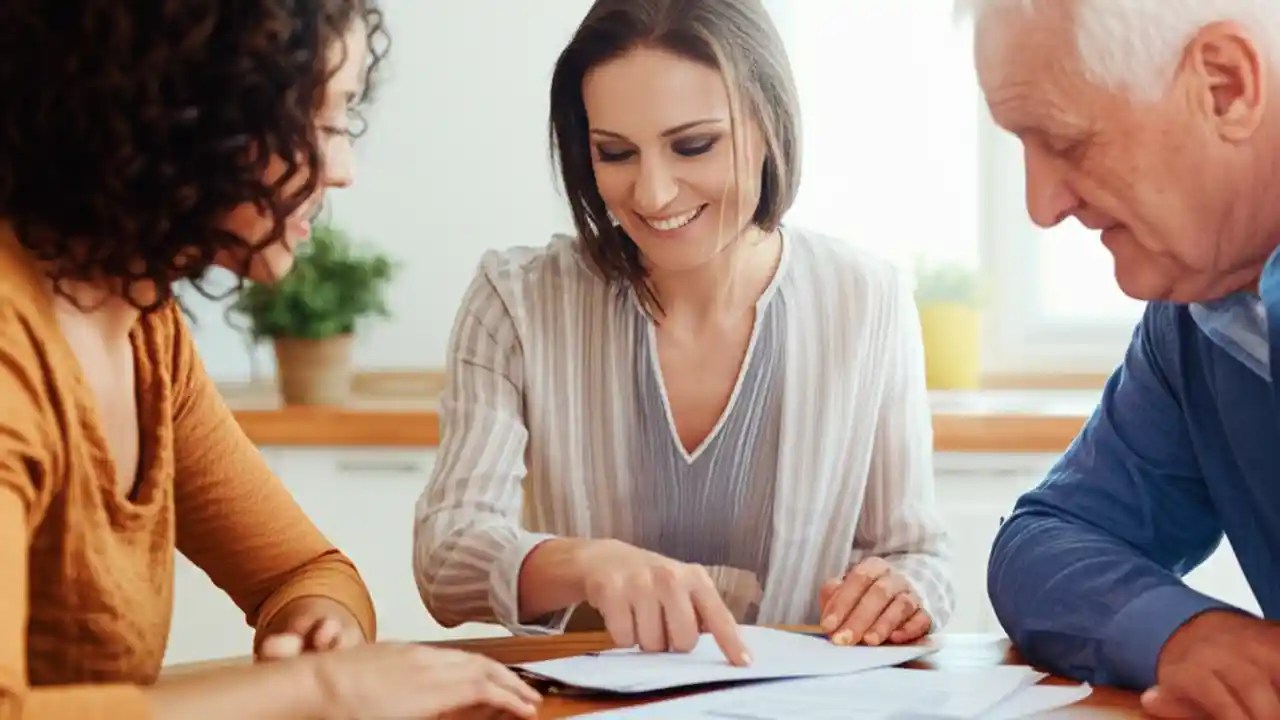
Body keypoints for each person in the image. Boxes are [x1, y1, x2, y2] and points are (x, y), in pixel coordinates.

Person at [0, 2, 541, 718]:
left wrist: (320, 630)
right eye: (318, 125)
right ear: (186, 115)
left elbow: (306, 571)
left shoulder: (142, 331)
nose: (341, 169)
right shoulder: (15, 346)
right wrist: (315, 689)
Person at [414, 0, 953, 664]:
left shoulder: (868, 299)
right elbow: (445, 556)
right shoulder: (516, 300)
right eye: (615, 153)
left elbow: (918, 556)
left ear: (768, 124)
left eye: (693, 145)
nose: (654, 193)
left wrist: (903, 592)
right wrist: (587, 563)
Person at [963, 0, 1280, 717]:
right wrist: (1184, 633)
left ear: (1225, 87)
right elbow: (1046, 545)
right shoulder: (1202, 311)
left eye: (1067, 142)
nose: (1039, 206)